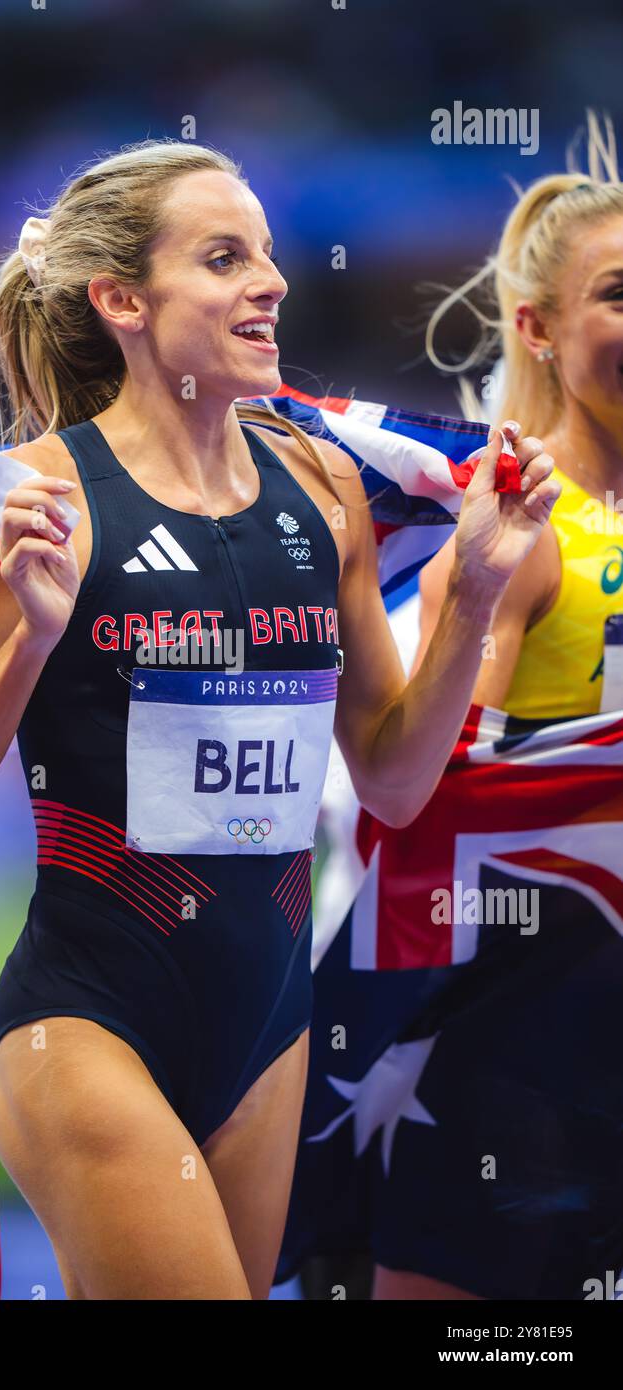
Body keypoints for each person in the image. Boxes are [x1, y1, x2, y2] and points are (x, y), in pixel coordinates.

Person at [0, 138, 559, 1300]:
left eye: (264, 253)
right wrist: (30, 646)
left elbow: (395, 782)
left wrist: (479, 597)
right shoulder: (41, 505)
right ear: (122, 303)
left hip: (269, 1028)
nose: (271, 281)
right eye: (223, 257)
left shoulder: (322, 490)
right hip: (85, 1023)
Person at [368, 111, 623, 1300]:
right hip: (529, 1013)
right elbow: (434, 781)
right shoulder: (517, 526)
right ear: (535, 327)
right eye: (615, 294)